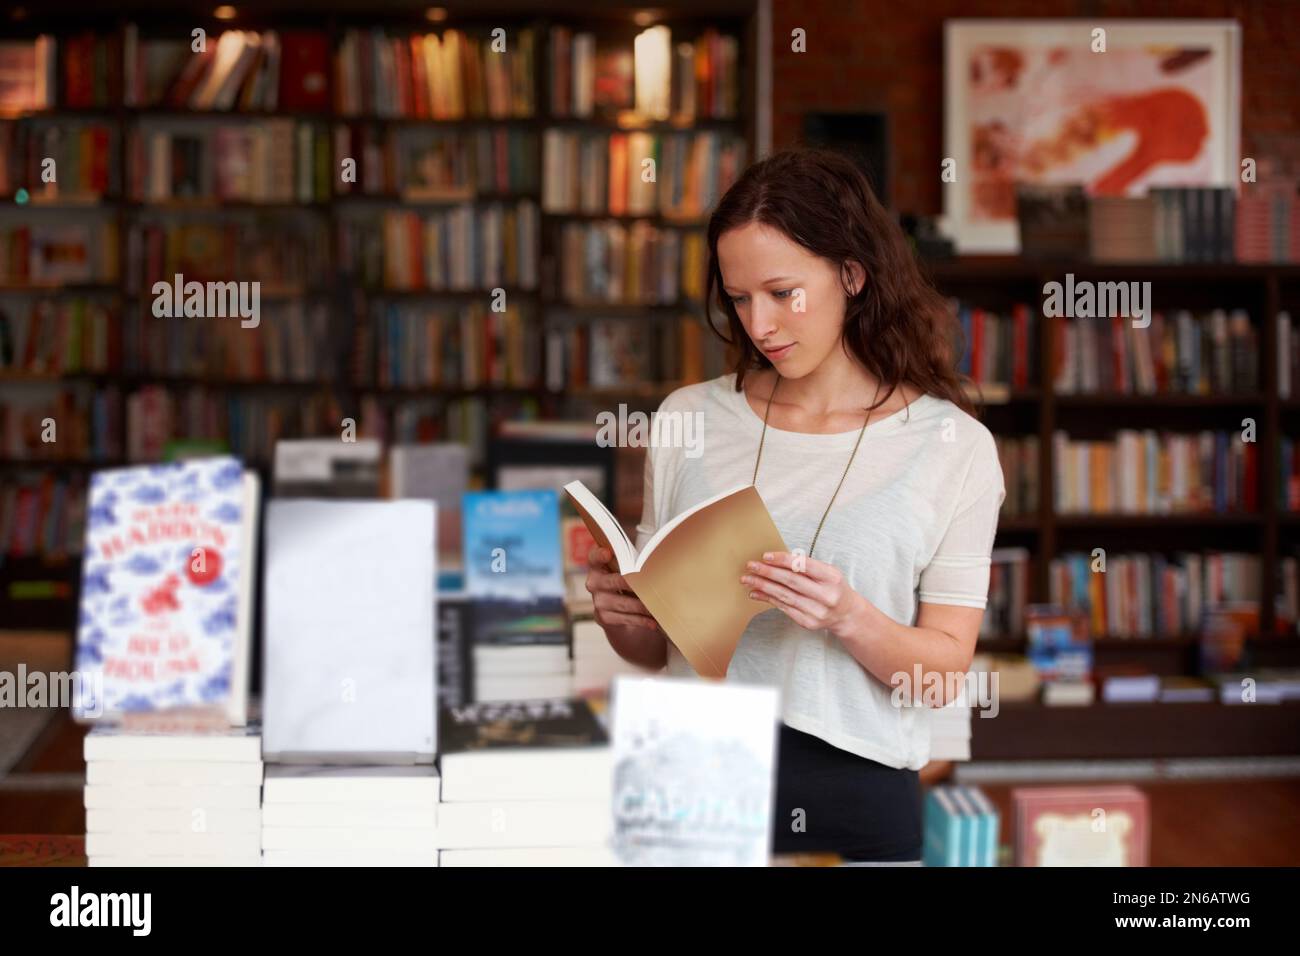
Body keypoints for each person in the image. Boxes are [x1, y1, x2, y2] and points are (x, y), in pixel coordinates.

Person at [585, 147, 1005, 863]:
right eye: (739, 298)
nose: (761, 325)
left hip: (855, 792)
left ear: (851, 274)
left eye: (783, 293)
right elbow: (660, 653)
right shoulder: (688, 418)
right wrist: (625, 620)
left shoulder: (951, 446)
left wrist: (848, 616)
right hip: (689, 778)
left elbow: (939, 676)